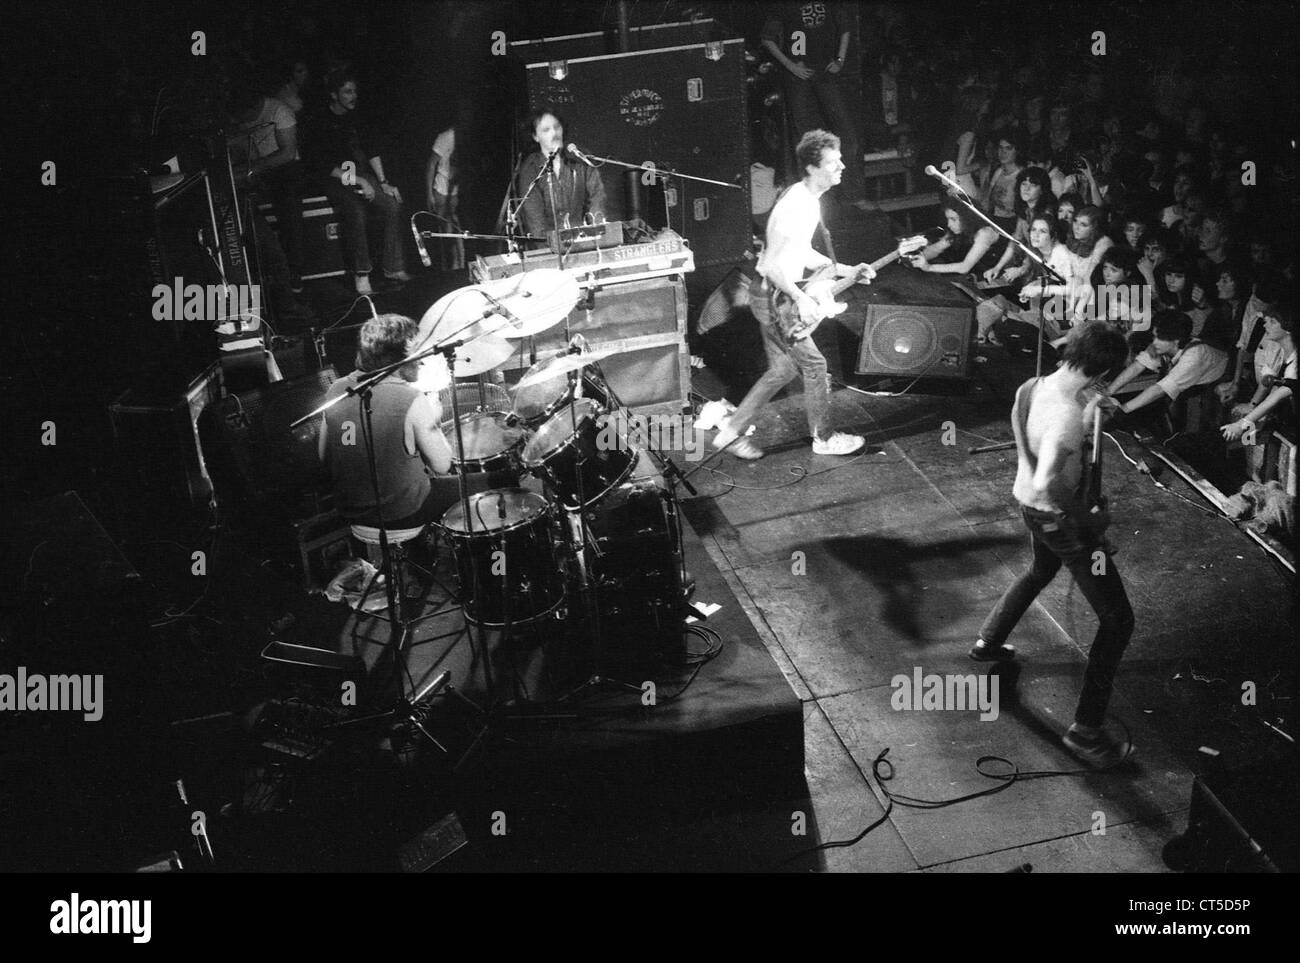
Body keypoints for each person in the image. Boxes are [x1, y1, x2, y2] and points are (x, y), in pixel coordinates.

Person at [972, 322, 1135, 769]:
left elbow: (1029, 437)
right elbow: (1049, 480)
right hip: (1059, 520)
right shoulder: (1066, 415)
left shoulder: (1035, 385)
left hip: (1028, 506)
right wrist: (1090, 520)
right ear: (1103, 370)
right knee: (1117, 620)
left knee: (1041, 570)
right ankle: (1086, 731)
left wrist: (1089, 409)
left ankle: (989, 641)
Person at [711, 130, 873, 460]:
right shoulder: (797, 205)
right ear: (813, 168)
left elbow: (799, 254)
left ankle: (730, 432)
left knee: (783, 370)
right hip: (774, 298)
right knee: (815, 366)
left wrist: (846, 268)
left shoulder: (808, 201)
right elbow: (770, 265)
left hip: (769, 295)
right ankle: (824, 438)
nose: (841, 165)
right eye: (833, 162)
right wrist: (799, 296)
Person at [303, 68, 410, 295]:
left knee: (392, 203)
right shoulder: (319, 120)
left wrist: (383, 181)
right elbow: (320, 164)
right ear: (334, 94)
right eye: (347, 91)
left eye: (355, 91)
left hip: (358, 173)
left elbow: (372, 149)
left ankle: (393, 268)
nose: (353, 96)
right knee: (356, 211)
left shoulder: (358, 117)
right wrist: (359, 181)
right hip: (334, 176)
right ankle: (362, 275)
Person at [760, 3, 870, 212]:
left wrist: (839, 59)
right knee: (804, 138)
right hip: (798, 76)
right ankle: (811, 200)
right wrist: (790, 65)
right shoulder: (784, 7)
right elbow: (767, 39)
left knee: (847, 133)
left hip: (825, 73)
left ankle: (852, 195)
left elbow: (845, 28)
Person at [1108, 309, 1228, 417]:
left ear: (1176, 340)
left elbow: (1160, 390)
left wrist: (1122, 411)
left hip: (1215, 386)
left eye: (1159, 338)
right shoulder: (1165, 345)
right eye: (1154, 336)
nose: (1154, 342)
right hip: (1190, 387)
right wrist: (1107, 392)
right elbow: (1137, 366)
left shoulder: (1195, 355)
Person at [514, 108, 606, 240]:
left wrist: (597, 234)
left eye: (557, 127)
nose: (554, 133)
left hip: (585, 241)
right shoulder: (531, 169)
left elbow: (597, 198)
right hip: (550, 248)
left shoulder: (580, 159)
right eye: (546, 130)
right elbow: (536, 222)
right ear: (535, 136)